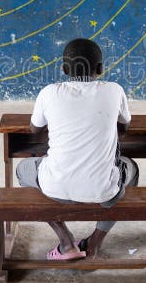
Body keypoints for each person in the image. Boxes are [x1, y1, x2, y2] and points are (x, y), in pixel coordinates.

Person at [16, 38, 138, 260]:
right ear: (100, 69)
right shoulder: (114, 90)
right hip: (102, 191)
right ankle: (94, 243)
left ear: (64, 69)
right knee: (132, 169)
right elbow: (125, 126)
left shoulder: (48, 93)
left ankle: (66, 241)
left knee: (22, 169)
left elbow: (34, 129)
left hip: (54, 188)